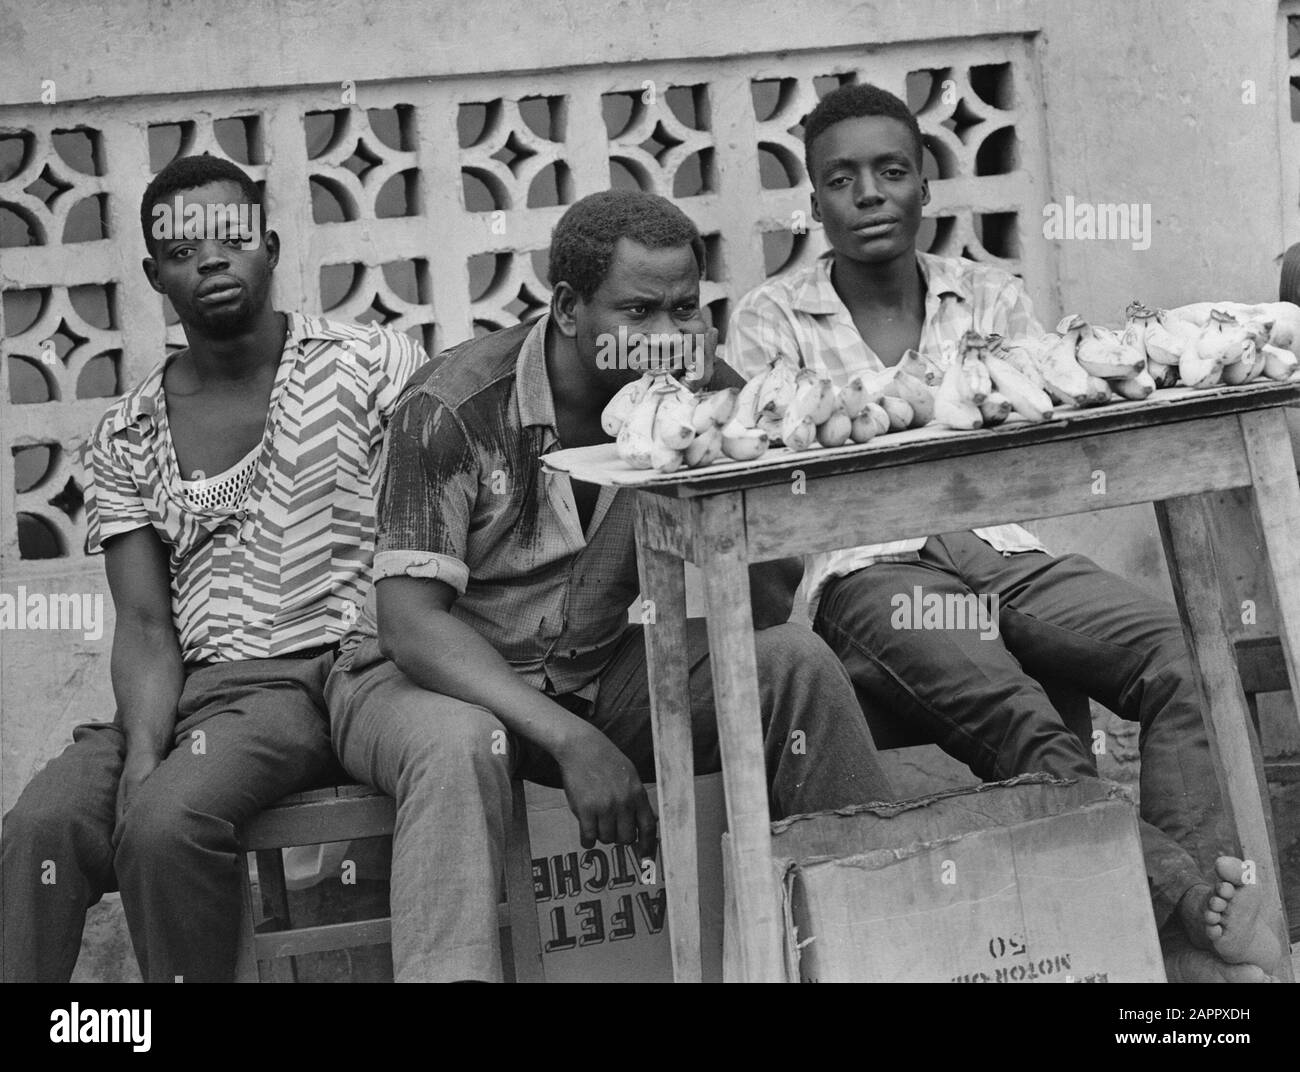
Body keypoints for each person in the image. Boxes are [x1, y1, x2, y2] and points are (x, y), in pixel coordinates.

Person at [725, 82, 1283, 984]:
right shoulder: (769, 319)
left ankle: (1175, 942)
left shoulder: (988, 297)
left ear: (923, 188)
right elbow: (774, 477)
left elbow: (1033, 443)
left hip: (1002, 551)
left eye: (891, 171)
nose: (868, 193)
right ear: (815, 200)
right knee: (1020, 715)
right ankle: (1185, 907)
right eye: (841, 178)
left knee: (1172, 650)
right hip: (878, 572)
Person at [326, 188, 894, 982]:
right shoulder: (453, 404)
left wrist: (736, 452)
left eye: (686, 309)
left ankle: (867, 948)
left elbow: (762, 604)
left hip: (589, 674)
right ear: (566, 308)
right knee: (464, 742)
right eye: (639, 313)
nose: (668, 337)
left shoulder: (704, 393)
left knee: (796, 662)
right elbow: (411, 625)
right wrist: (571, 740)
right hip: (417, 683)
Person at [1, 155, 423, 982]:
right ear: (158, 276)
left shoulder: (370, 364)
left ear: (268, 245)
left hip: (315, 679)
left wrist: (157, 778)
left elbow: (432, 530)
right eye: (184, 252)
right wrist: (144, 750)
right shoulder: (125, 433)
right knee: (39, 827)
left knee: (165, 823)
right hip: (194, 692)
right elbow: (148, 626)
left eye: (230, 239)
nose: (212, 261)